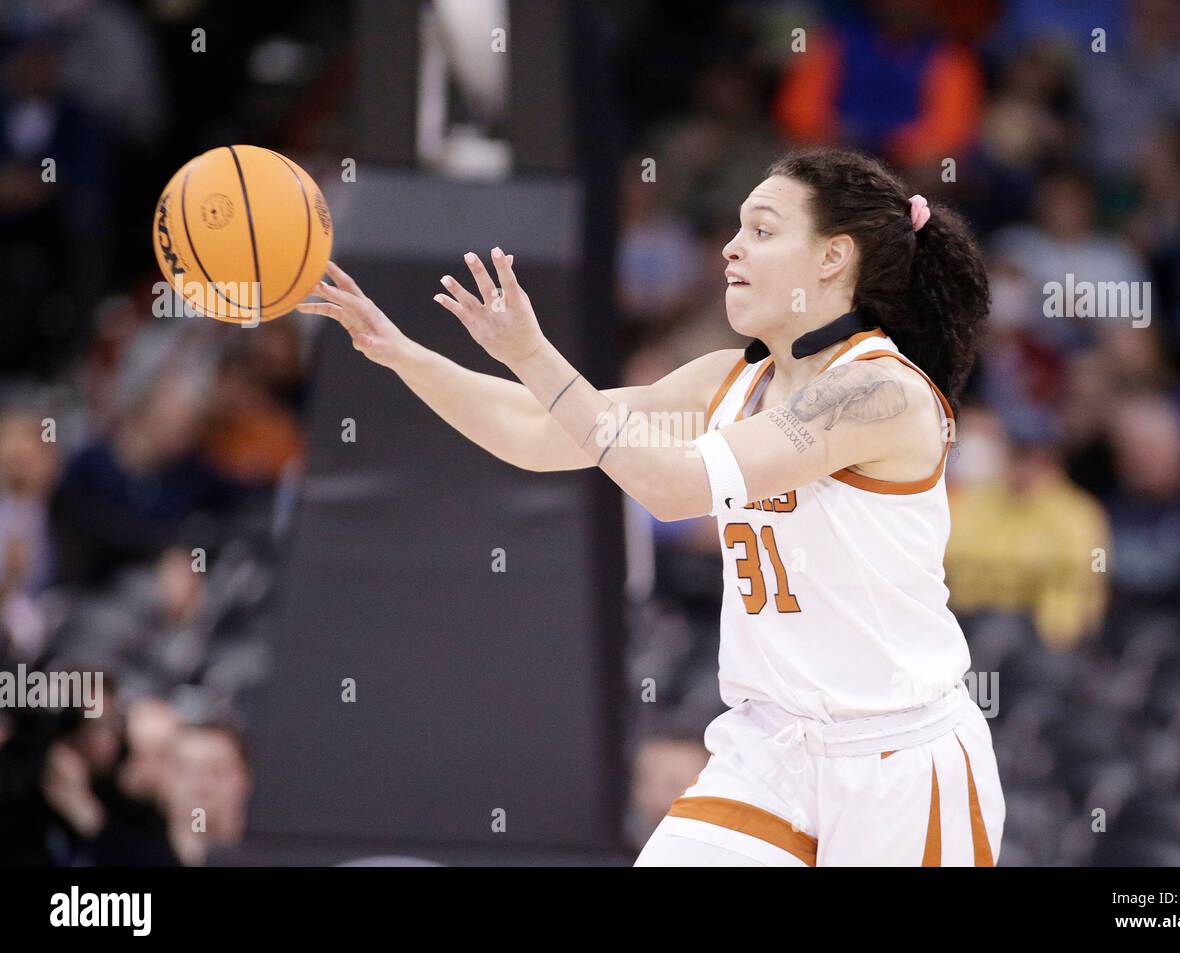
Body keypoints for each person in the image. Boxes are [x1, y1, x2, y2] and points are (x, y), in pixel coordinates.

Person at [301, 145, 1004, 866]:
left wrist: (533, 354)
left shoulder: (876, 391)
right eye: (736, 228)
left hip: (899, 761)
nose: (730, 246)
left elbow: (669, 487)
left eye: (762, 230)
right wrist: (399, 352)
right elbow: (542, 432)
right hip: (772, 748)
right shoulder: (724, 383)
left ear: (832, 258)